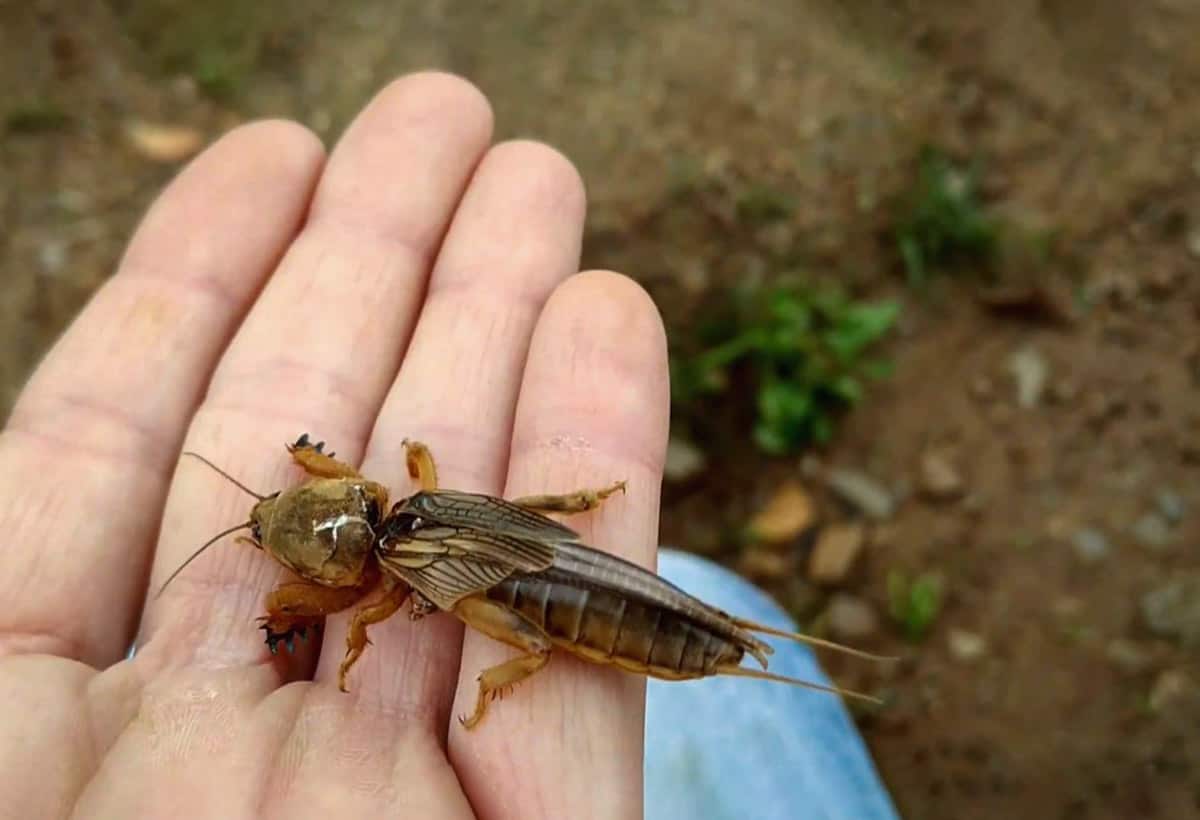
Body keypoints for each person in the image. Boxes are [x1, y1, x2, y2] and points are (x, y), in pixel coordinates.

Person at [0, 72, 898, 819]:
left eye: (278, 521)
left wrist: (336, 646)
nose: (276, 518)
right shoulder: (405, 501)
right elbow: (399, 490)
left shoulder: (378, 586)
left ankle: (704, 624)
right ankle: (715, 619)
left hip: (552, 587)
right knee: (704, 597)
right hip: (572, 573)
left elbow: (351, 616)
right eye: (280, 515)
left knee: (588, 626)